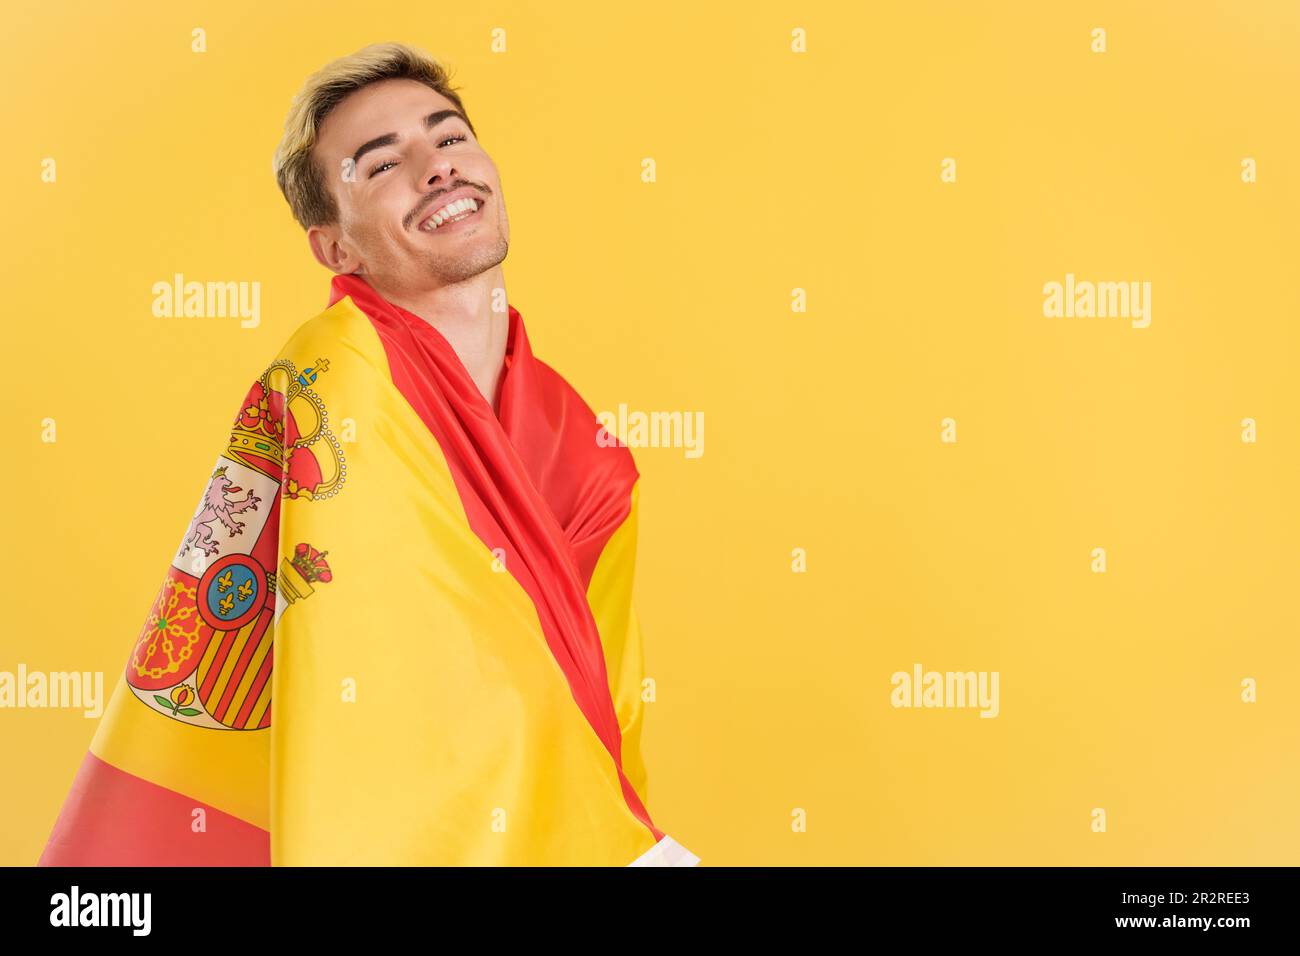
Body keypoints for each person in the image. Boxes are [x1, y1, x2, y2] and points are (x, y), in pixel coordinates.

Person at [38, 41, 698, 867]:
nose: (436, 169)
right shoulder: (330, 381)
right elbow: (383, 670)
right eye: (380, 165)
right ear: (336, 250)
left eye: (449, 138)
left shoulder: (579, 438)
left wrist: (624, 836)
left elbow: (605, 702)